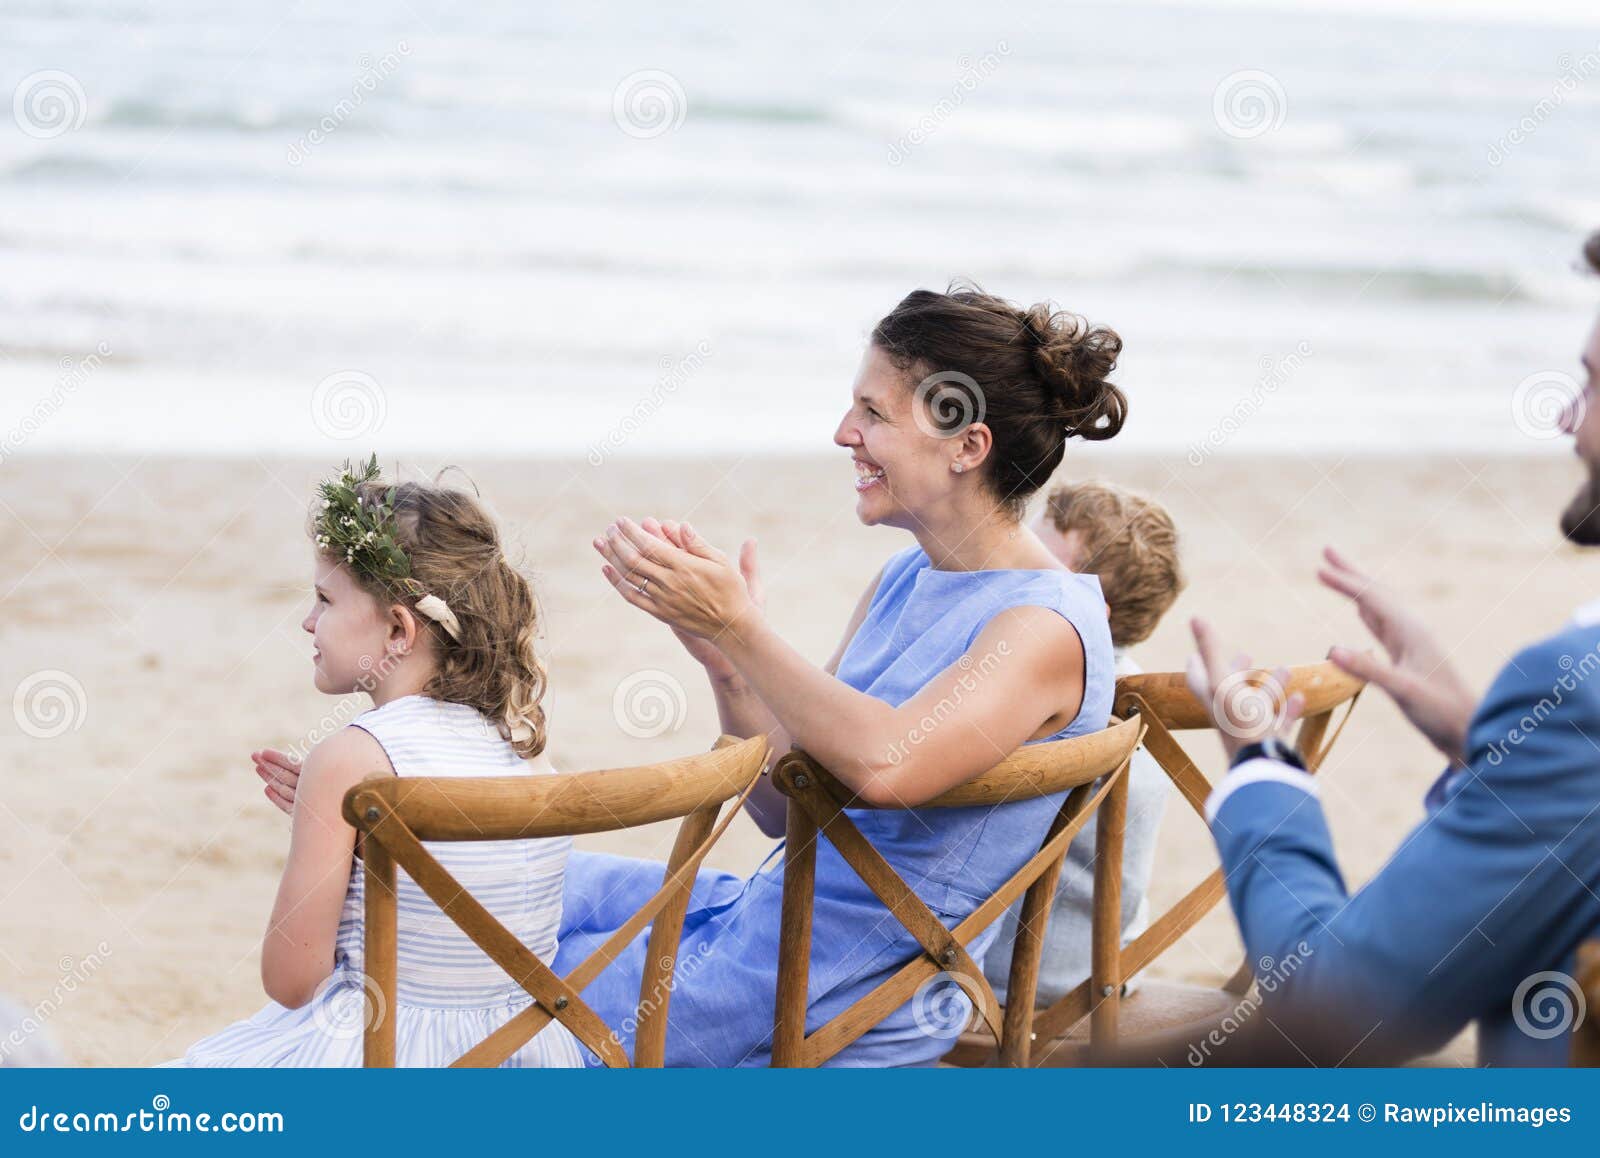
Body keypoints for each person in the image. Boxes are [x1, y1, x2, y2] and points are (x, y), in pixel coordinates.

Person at [561, 282, 1130, 1066]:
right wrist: (730, 669)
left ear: (967, 445)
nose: (842, 434)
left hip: (822, 998)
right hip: (764, 926)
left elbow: (888, 763)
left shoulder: (1044, 627)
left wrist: (742, 626)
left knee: (470, 983)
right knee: (498, 881)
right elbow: (778, 804)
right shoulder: (905, 579)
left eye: (872, 413)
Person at [1182, 232, 1600, 1066]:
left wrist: (1261, 764)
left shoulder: (1576, 694)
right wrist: (1484, 741)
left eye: (1589, 383)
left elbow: (1341, 1008)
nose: (1568, 420)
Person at [165, 459, 581, 1068]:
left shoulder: (350, 759)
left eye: (325, 599)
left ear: (396, 631)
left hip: (386, 1057)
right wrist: (358, 843)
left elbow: (291, 982)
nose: (308, 622)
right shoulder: (524, 759)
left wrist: (323, 826)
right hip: (526, 1060)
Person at [982, 481, 1183, 1007]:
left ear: (1096, 610)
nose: (1012, 573)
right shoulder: (1139, 693)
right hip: (1111, 972)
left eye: (1040, 569)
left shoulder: (1040, 698)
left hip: (1011, 986)